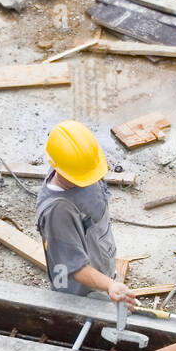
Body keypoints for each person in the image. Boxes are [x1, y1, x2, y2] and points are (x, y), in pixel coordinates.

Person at [36, 120, 135, 308]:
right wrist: (110, 285)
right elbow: (74, 267)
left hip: (100, 265)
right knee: (86, 322)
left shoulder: (79, 166)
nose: (91, 179)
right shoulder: (58, 212)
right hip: (79, 292)